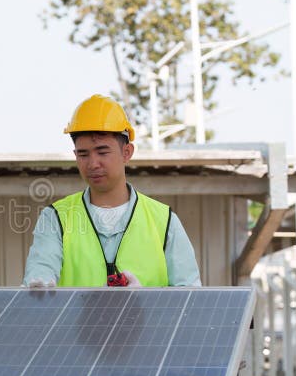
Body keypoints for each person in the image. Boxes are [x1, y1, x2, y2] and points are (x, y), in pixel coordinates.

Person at [23, 94, 201, 288]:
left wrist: (148, 304)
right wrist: (38, 294)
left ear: (127, 152)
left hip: (147, 320)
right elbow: (40, 273)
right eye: (83, 154)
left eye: (102, 152)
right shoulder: (56, 218)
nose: (92, 163)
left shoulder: (164, 221)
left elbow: (189, 300)